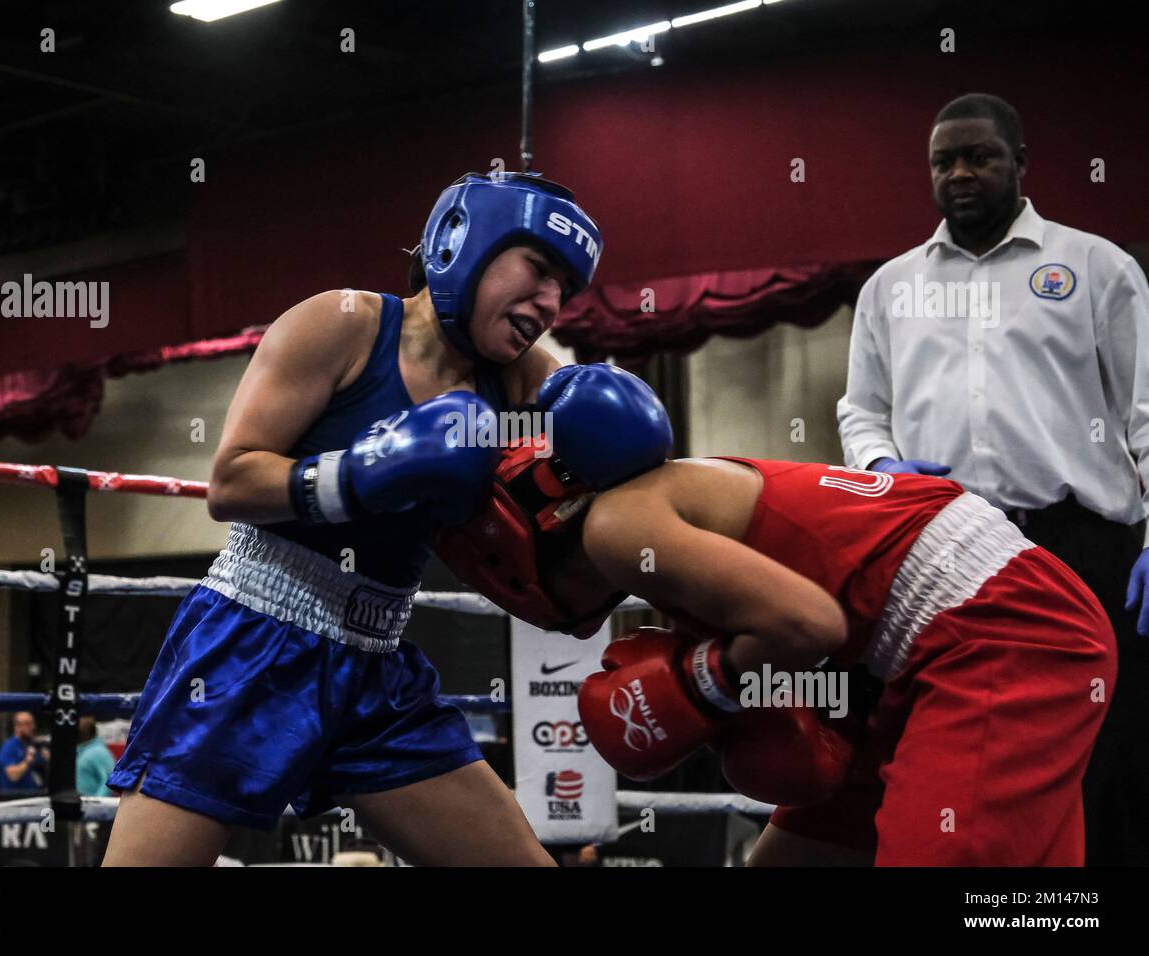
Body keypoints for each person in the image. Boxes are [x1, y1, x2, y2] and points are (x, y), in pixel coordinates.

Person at [104, 171, 604, 866]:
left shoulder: (520, 381)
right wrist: (363, 473)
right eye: (540, 269)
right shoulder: (342, 324)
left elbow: (612, 468)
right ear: (464, 242)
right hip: (250, 640)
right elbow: (231, 479)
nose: (550, 303)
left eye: (566, 290)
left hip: (379, 666)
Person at [436, 363, 1115, 865]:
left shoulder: (614, 528)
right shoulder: (656, 501)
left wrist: (698, 683)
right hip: (925, 643)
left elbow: (806, 625)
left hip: (997, 627)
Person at [836, 93, 1149, 863]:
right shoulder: (891, 286)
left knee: (1098, 763)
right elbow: (859, 412)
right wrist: (881, 470)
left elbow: (1146, 410)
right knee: (949, 755)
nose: (961, 173)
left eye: (979, 156)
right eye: (944, 161)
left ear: (1020, 164)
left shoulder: (1096, 266)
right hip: (940, 550)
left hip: (1080, 545)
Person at [0, 711, 48, 791]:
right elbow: (13, 776)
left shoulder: (33, 745)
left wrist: (47, 757)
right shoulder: (9, 747)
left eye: (32, 723)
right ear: (18, 726)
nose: (33, 727)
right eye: (28, 724)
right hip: (15, 798)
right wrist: (27, 762)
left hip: (36, 796)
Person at [75, 717, 116, 798]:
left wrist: (96, 804)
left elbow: (109, 780)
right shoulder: (80, 750)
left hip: (91, 807)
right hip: (77, 804)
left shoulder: (99, 752)